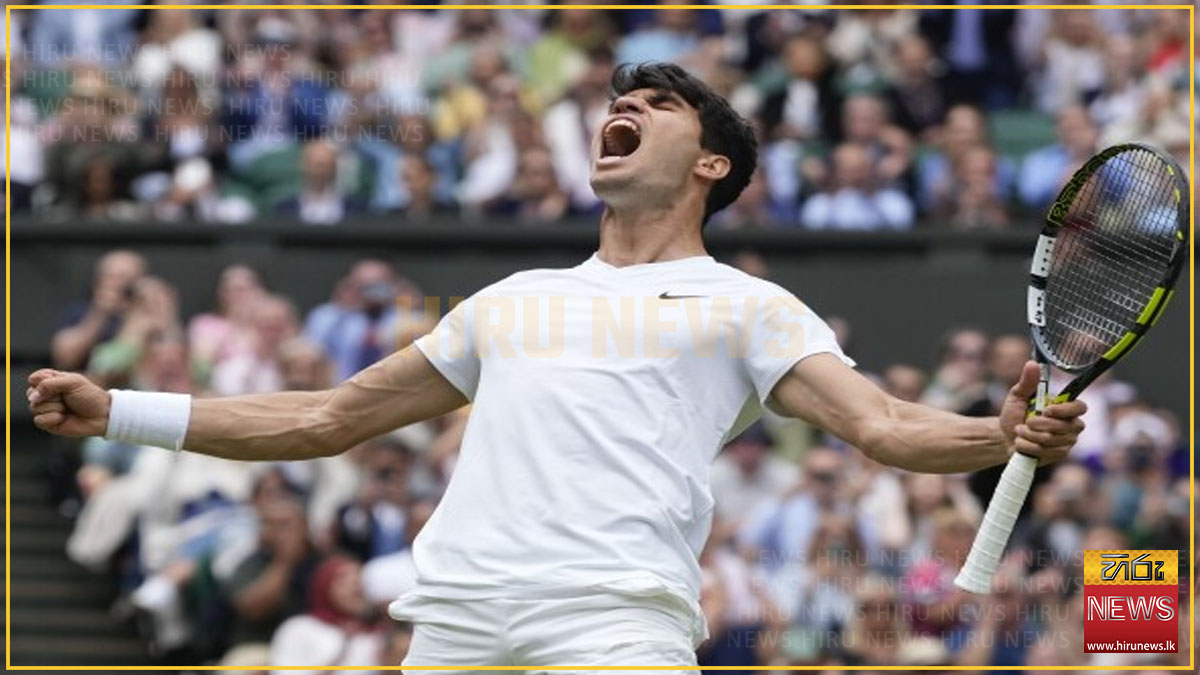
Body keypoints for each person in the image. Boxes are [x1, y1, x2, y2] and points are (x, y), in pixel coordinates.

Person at [28, 62, 1087, 672]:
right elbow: (323, 419)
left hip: (615, 624)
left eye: (659, 105)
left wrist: (997, 436)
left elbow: (887, 427)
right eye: (618, 102)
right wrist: (119, 408)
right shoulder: (511, 302)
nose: (622, 110)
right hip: (455, 621)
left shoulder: (752, 306)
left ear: (710, 164)